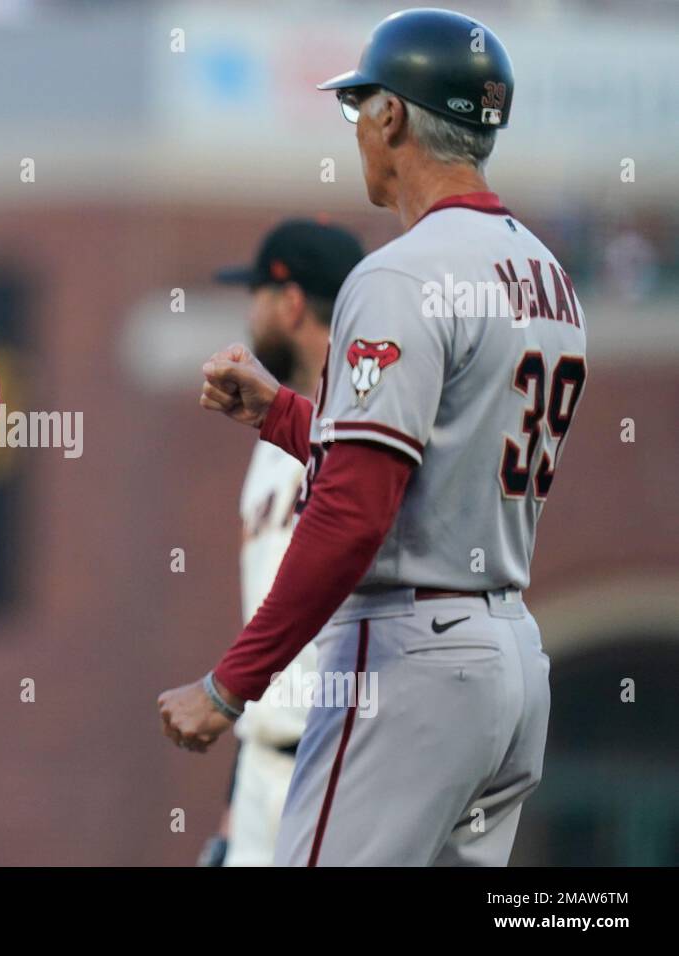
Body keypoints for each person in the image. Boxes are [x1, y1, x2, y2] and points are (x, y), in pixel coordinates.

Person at [158, 9, 587, 865]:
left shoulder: (399, 272)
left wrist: (229, 685)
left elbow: (354, 512)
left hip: (407, 657)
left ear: (392, 116)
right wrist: (280, 413)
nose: (354, 126)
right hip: (508, 653)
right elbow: (430, 454)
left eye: (358, 105)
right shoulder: (547, 273)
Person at [202, 221, 364, 867]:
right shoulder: (273, 434)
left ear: (291, 303)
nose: (250, 313)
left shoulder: (365, 415)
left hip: (339, 761)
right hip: (266, 763)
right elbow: (266, 611)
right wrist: (236, 800)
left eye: (258, 295)